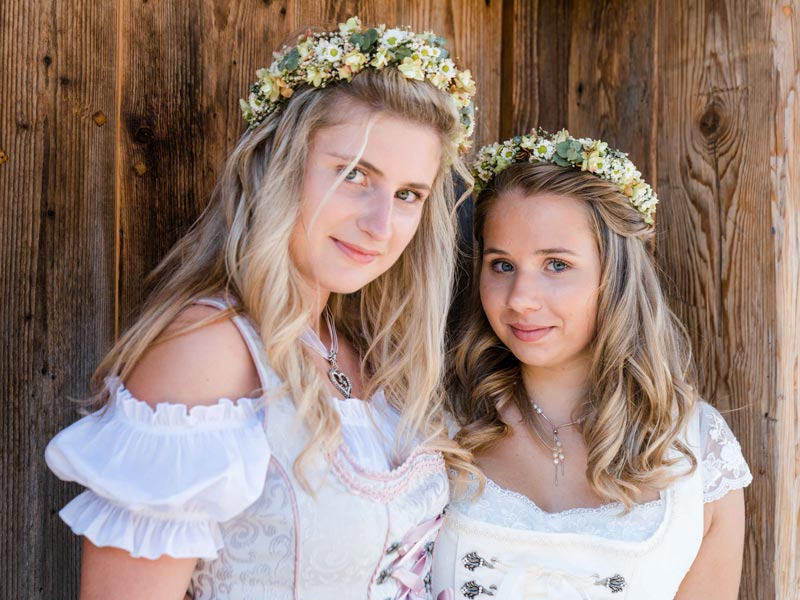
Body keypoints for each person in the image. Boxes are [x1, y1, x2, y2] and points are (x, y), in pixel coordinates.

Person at [45, 17, 478, 600]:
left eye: (408, 195)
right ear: (279, 166)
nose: (381, 225)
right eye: (354, 176)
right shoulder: (209, 350)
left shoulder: (377, 353)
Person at [431, 130, 752, 599]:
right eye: (502, 265)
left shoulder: (698, 451)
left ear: (615, 274)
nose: (521, 299)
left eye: (556, 265)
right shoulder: (438, 421)